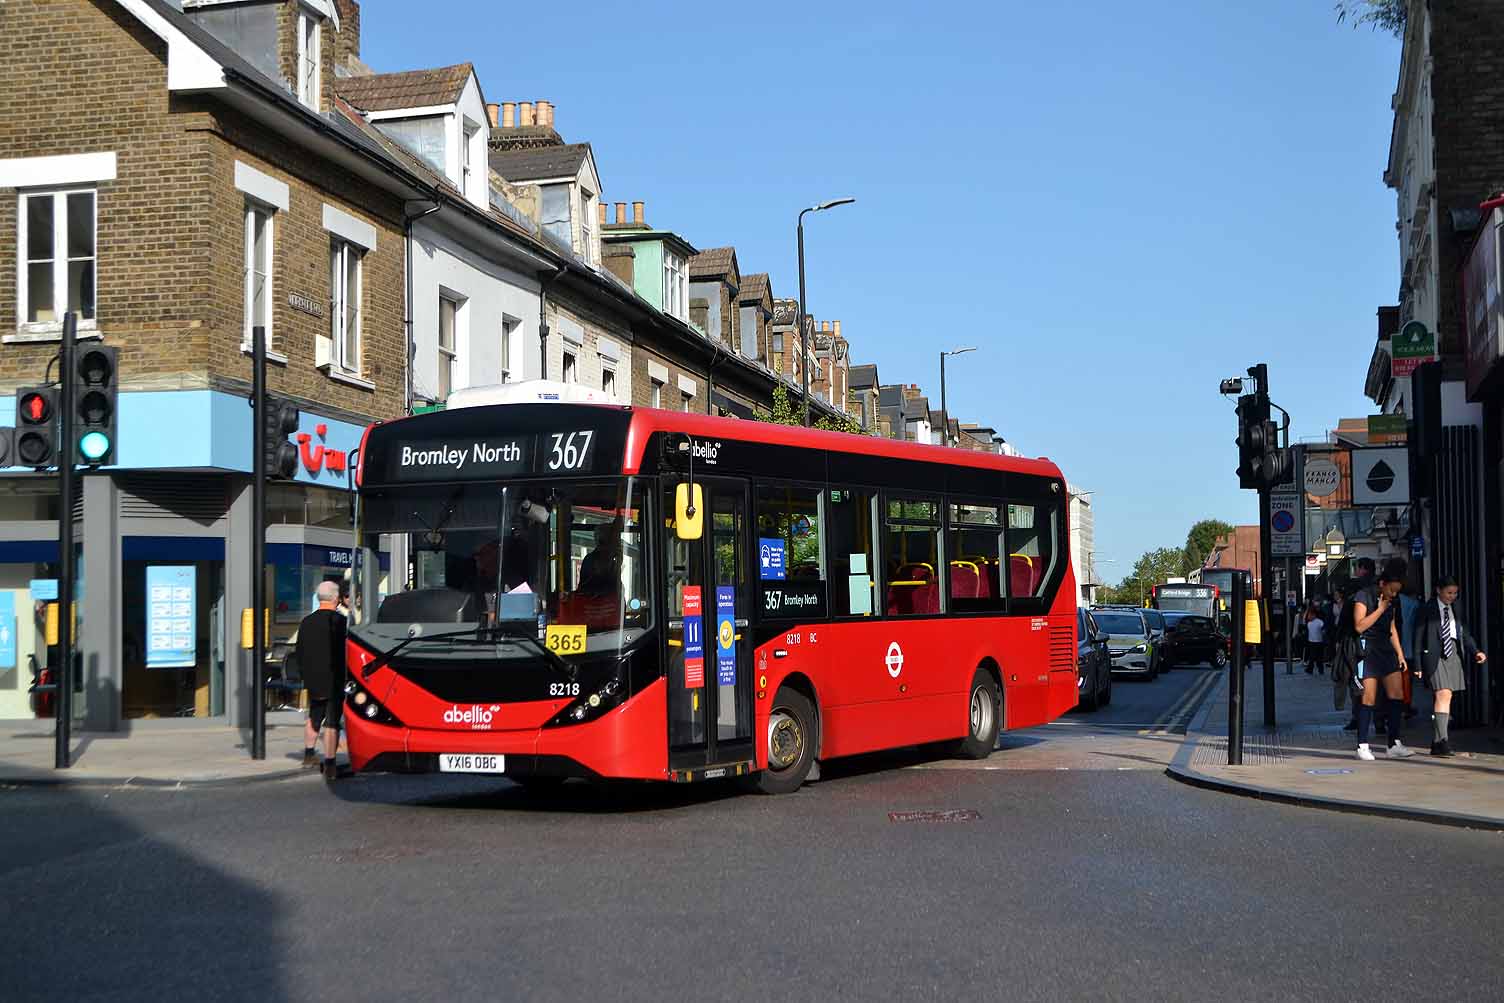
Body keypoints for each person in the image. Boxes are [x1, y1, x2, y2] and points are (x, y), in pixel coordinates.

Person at [1414, 576, 1487, 758]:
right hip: (1434, 654)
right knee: (1443, 693)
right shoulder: (1427, 609)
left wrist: (1475, 650)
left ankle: (1438, 742)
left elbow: (1464, 632)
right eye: (1449, 592)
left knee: (1448, 695)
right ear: (1438, 590)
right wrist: (1417, 663)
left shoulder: (1457, 608)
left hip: (1453, 653)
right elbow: (1418, 636)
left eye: (1455, 593)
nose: (1452, 596)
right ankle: (1443, 741)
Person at [1350, 558, 1414, 761]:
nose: (1394, 595)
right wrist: (1379, 609)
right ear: (1382, 584)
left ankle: (1393, 743)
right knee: (1368, 697)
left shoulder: (1392, 601)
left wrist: (1400, 654)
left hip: (1387, 649)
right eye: (1392, 590)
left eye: (1397, 591)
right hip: (1367, 649)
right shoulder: (1363, 596)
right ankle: (1362, 744)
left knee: (1397, 695)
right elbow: (1359, 626)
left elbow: (1392, 628)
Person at [297, 580, 348, 780]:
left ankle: (309, 755)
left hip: (312, 678)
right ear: (335, 598)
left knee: (314, 715)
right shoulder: (340, 621)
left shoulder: (306, 622)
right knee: (332, 721)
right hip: (334, 677)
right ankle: (330, 764)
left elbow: (299, 651)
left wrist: (304, 675)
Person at [1304, 603, 1326, 675]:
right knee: (1315, 657)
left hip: (1317, 641)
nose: (1309, 616)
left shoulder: (1319, 622)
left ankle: (1313, 669)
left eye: (1310, 615)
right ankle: (1318, 669)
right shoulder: (1310, 623)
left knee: (1315, 657)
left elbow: (1323, 630)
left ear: (1314, 615)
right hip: (1314, 641)